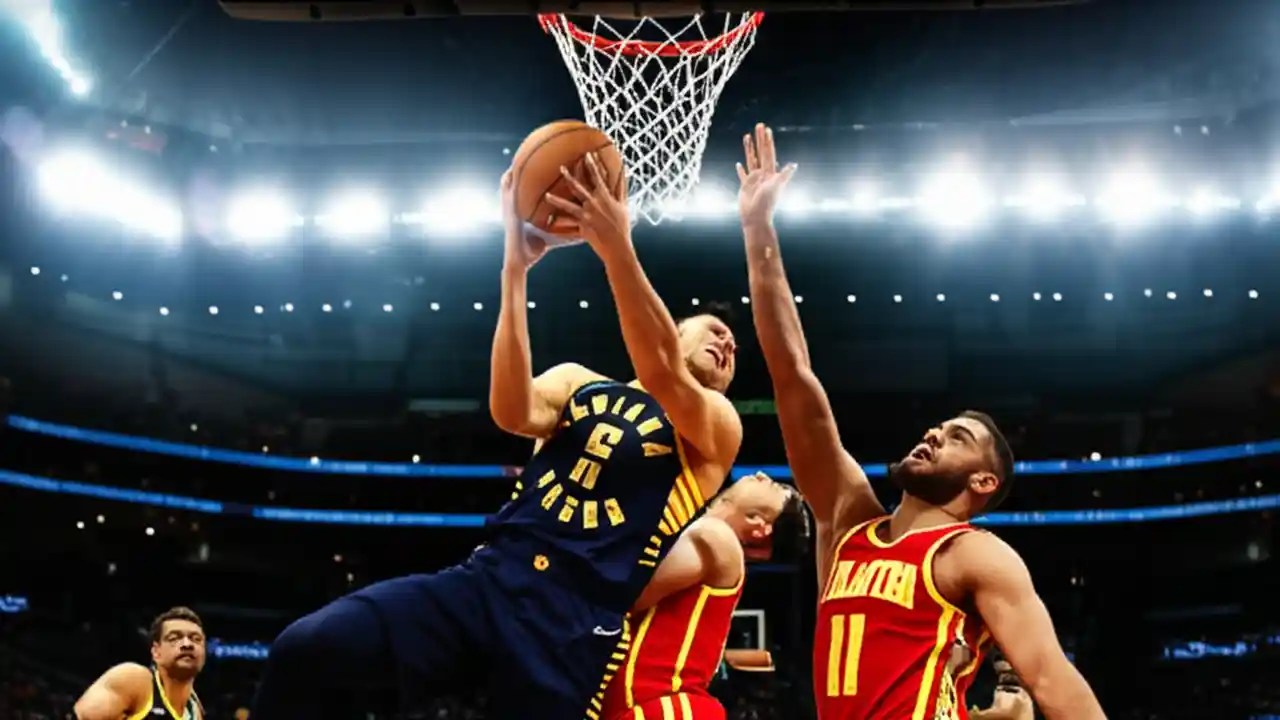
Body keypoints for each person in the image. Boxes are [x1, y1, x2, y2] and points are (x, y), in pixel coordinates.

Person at [251, 157, 743, 720]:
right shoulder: (579, 382)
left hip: (574, 623)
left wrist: (616, 247)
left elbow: (661, 372)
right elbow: (511, 411)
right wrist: (515, 269)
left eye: (733, 351)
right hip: (489, 578)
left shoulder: (716, 424)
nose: (727, 346)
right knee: (308, 647)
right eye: (716, 332)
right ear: (674, 328)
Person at [734, 122, 1106, 720]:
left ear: (982, 481)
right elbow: (792, 374)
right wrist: (758, 231)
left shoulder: (976, 555)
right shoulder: (847, 518)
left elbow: (1052, 679)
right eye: (938, 427)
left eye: (958, 438)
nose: (933, 433)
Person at [598, 472, 799, 720]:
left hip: (665, 706)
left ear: (760, 526)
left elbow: (626, 598)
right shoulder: (704, 538)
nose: (761, 475)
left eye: (773, 486)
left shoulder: (716, 537)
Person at [74, 606, 205, 720]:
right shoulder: (134, 680)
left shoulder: (195, 711)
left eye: (196, 639)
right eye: (174, 638)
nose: (187, 644)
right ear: (156, 652)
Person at [970, 653, 1036, 720]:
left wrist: (977, 715)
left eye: (1009, 672)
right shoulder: (999, 690)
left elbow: (1007, 713)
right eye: (1001, 673)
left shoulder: (1020, 695)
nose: (1005, 677)